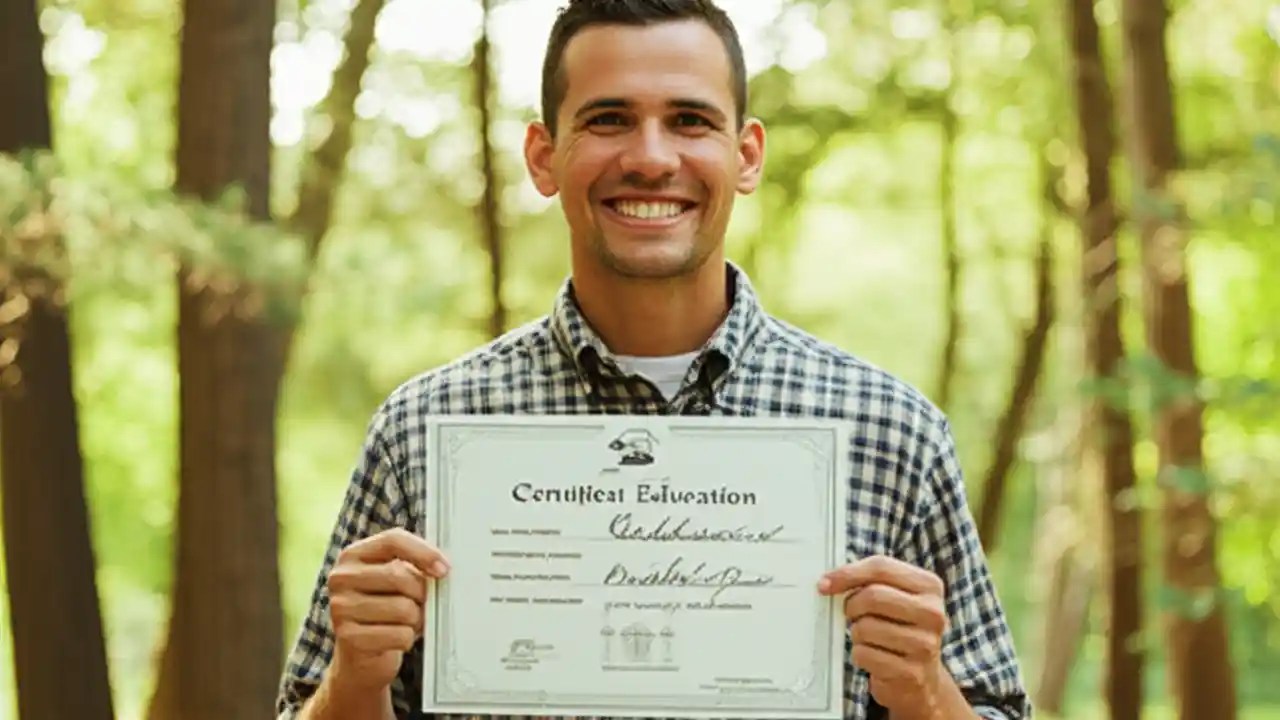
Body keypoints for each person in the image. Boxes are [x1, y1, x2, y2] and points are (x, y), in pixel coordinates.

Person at [275, 0, 1031, 718]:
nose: (651, 157)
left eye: (690, 120)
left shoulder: (890, 434)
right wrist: (355, 675)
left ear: (746, 155)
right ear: (544, 157)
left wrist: (926, 690)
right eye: (609, 120)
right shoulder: (424, 433)